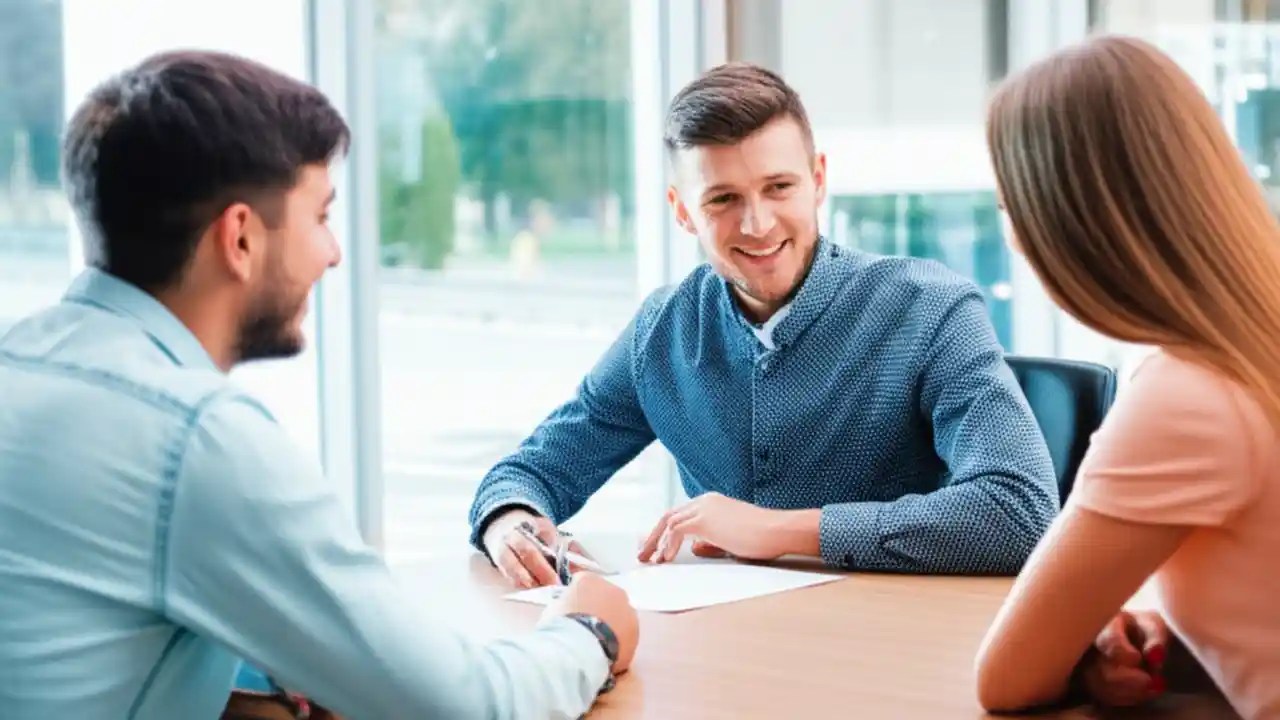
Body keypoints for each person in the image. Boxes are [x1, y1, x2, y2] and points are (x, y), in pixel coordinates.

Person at [0, 50, 638, 720]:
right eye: (321, 216)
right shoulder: (195, 439)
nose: (332, 253)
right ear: (240, 238)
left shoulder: (22, 363)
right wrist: (588, 630)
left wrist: (246, 684)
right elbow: (471, 708)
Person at [469, 61, 1059, 589]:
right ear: (682, 211)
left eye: (779, 187)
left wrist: (781, 530)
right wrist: (509, 523)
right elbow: (531, 471)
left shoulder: (931, 309)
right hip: (729, 657)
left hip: (894, 658)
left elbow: (1020, 512)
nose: (757, 224)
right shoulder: (663, 329)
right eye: (722, 199)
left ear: (819, 180)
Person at [975, 36, 1280, 719]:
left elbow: (1007, 678)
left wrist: (1078, 653)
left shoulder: (1189, 396)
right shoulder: (1252, 352)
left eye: (1006, 205)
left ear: (1066, 221)